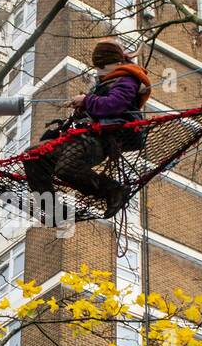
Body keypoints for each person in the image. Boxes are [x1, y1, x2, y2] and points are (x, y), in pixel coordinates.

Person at [23, 40, 151, 219]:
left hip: (102, 138)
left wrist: (86, 101)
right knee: (33, 155)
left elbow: (114, 105)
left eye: (102, 66)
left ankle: (113, 190)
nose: (99, 70)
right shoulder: (103, 84)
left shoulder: (127, 79)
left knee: (66, 168)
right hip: (81, 136)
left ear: (115, 63)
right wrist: (82, 106)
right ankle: (53, 211)